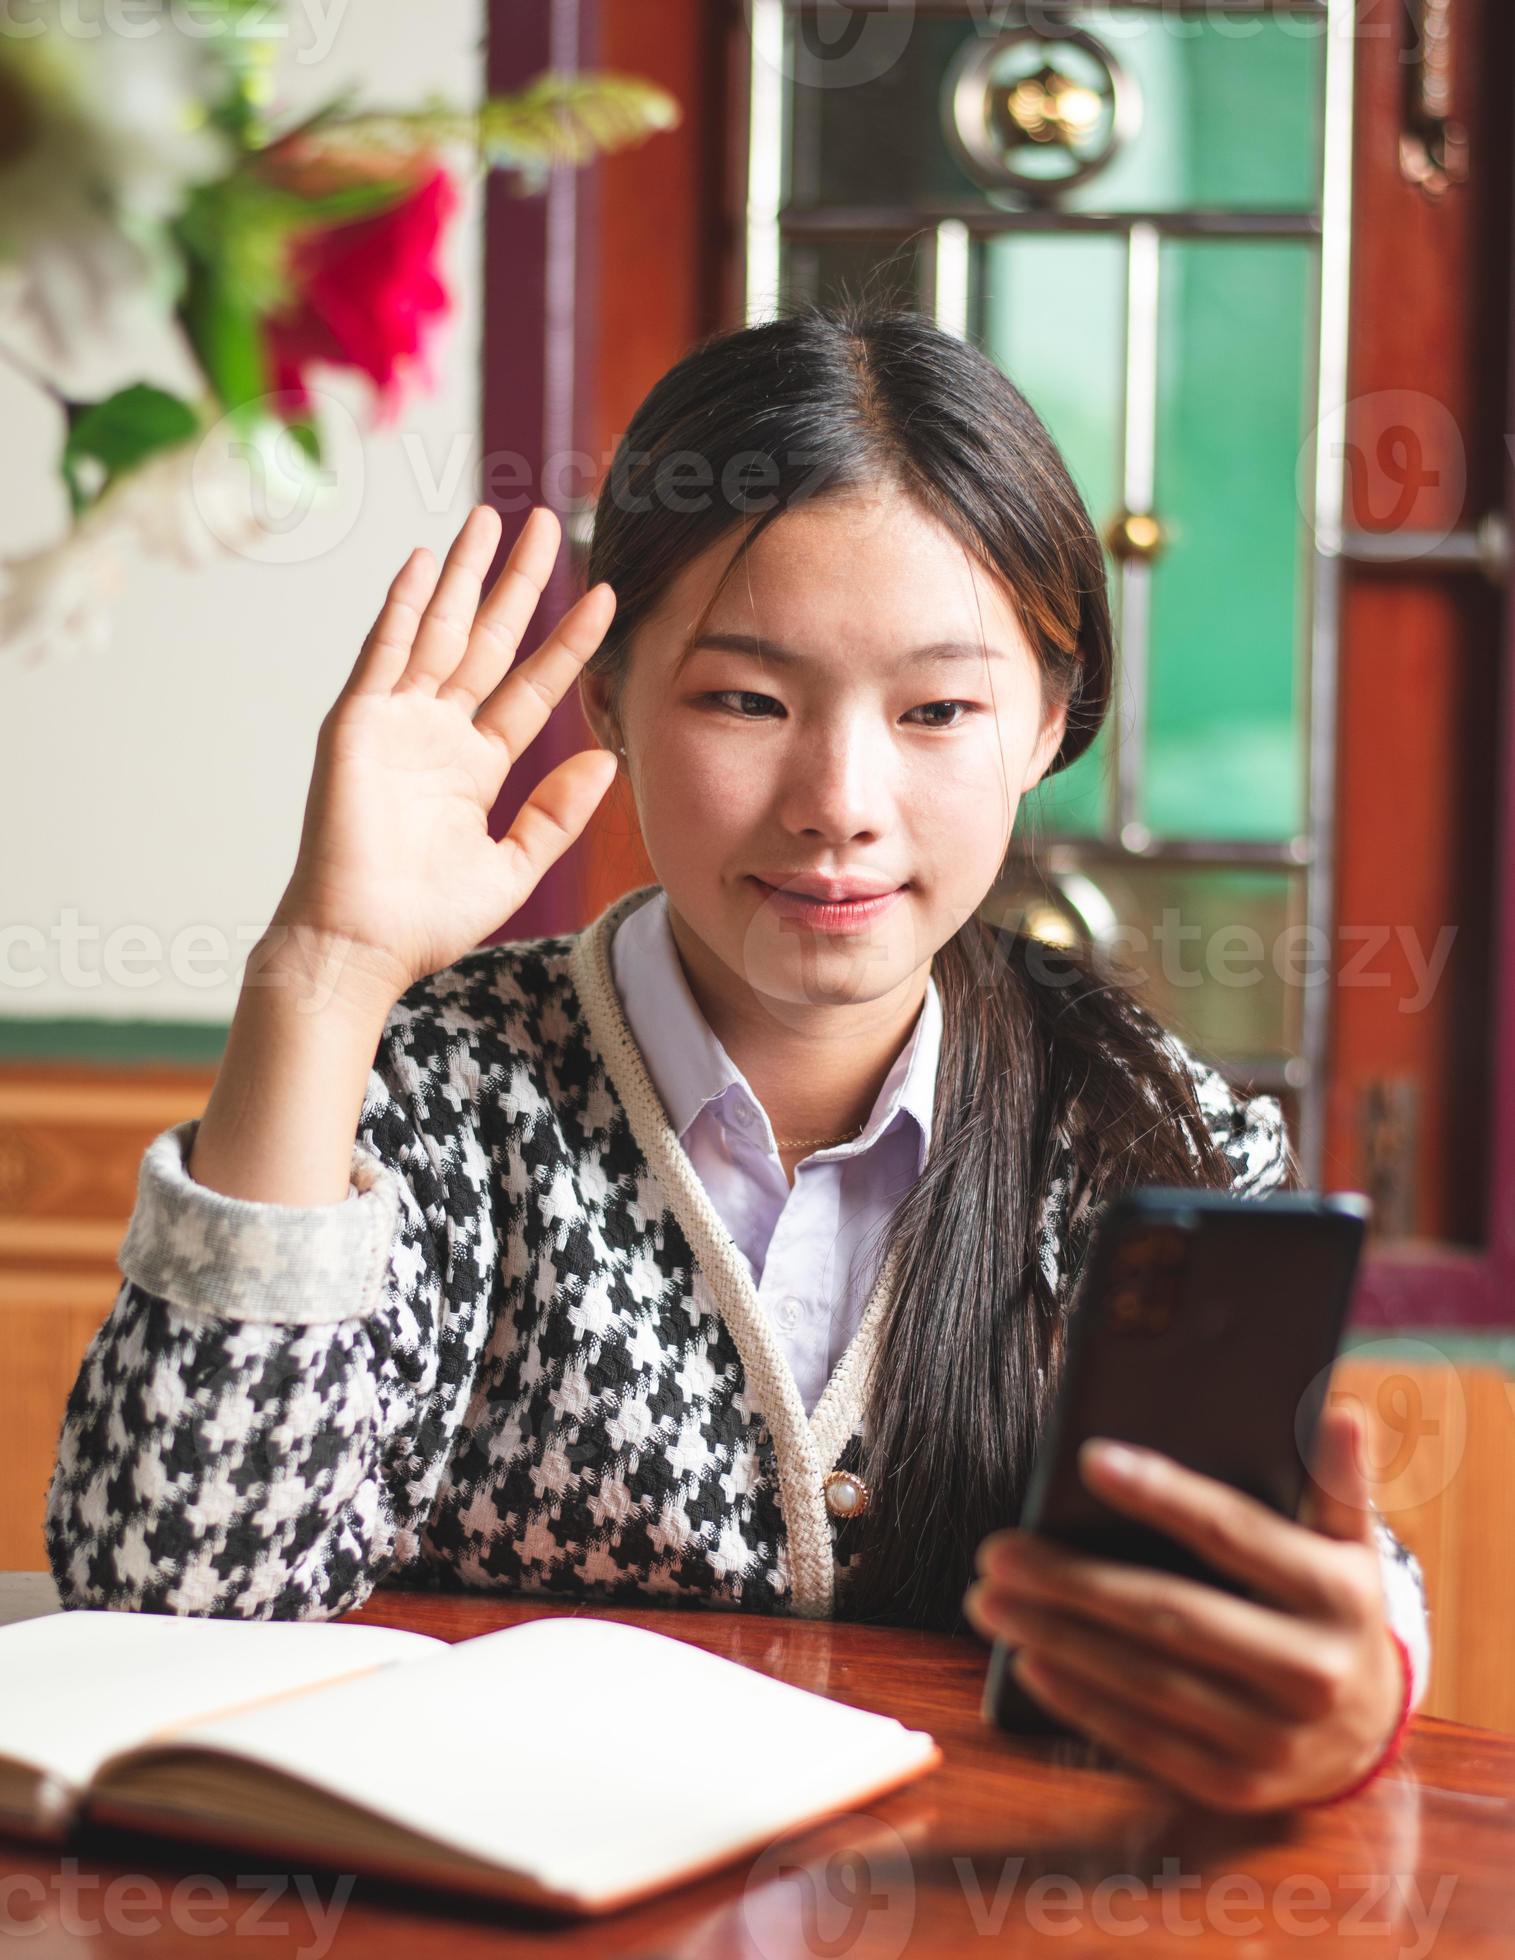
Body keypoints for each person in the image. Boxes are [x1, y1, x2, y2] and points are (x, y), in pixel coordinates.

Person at [45, 306, 1428, 1812]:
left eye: (939, 710)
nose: (839, 799)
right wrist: (322, 968)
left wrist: (1364, 1675)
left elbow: (1274, 1572)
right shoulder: (434, 1089)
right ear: (610, 700)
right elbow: (171, 1585)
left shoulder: (1150, 1129)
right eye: (745, 699)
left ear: (1047, 722)